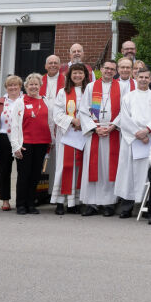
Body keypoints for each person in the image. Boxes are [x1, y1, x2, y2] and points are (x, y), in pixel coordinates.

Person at [114, 62, 151, 218]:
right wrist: (137, 133)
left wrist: (147, 131)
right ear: (135, 77)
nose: (143, 79)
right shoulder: (128, 97)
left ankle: (148, 206)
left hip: (149, 141)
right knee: (128, 174)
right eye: (140, 77)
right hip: (132, 141)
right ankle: (127, 206)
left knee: (147, 174)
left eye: (146, 77)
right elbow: (124, 118)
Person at [78, 59, 124, 216]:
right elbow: (83, 111)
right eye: (106, 68)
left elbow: (125, 110)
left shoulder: (121, 87)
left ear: (115, 71)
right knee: (94, 167)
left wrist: (113, 126)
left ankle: (109, 204)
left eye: (112, 69)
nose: (109, 71)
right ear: (101, 69)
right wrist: (95, 128)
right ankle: (91, 203)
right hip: (95, 133)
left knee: (109, 168)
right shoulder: (91, 87)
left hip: (113, 132)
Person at [8, 73, 52, 215]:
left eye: (36, 84)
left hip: (42, 143)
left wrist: (52, 141)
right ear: (26, 87)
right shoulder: (20, 102)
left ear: (40, 86)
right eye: (31, 84)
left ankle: (31, 203)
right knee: (24, 175)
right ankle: (21, 204)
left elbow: (50, 123)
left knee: (35, 175)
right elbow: (14, 125)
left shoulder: (46, 102)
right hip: (25, 144)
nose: (33, 87)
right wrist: (15, 146)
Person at [50, 60, 90, 215]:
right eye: (75, 73)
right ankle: (60, 201)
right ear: (70, 75)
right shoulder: (63, 92)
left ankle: (75, 202)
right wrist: (73, 120)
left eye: (81, 73)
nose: (78, 75)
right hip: (67, 135)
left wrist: (84, 123)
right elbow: (57, 114)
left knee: (79, 168)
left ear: (85, 75)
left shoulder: (89, 91)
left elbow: (93, 111)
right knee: (64, 167)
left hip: (83, 134)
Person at [0, 74, 23, 211]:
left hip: (21, 140)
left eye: (15, 85)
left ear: (20, 86)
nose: (13, 87)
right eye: (10, 85)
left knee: (22, 171)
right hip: (3, 139)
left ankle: (21, 200)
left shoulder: (25, 101)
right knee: (4, 171)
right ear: (6, 87)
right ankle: (5, 200)